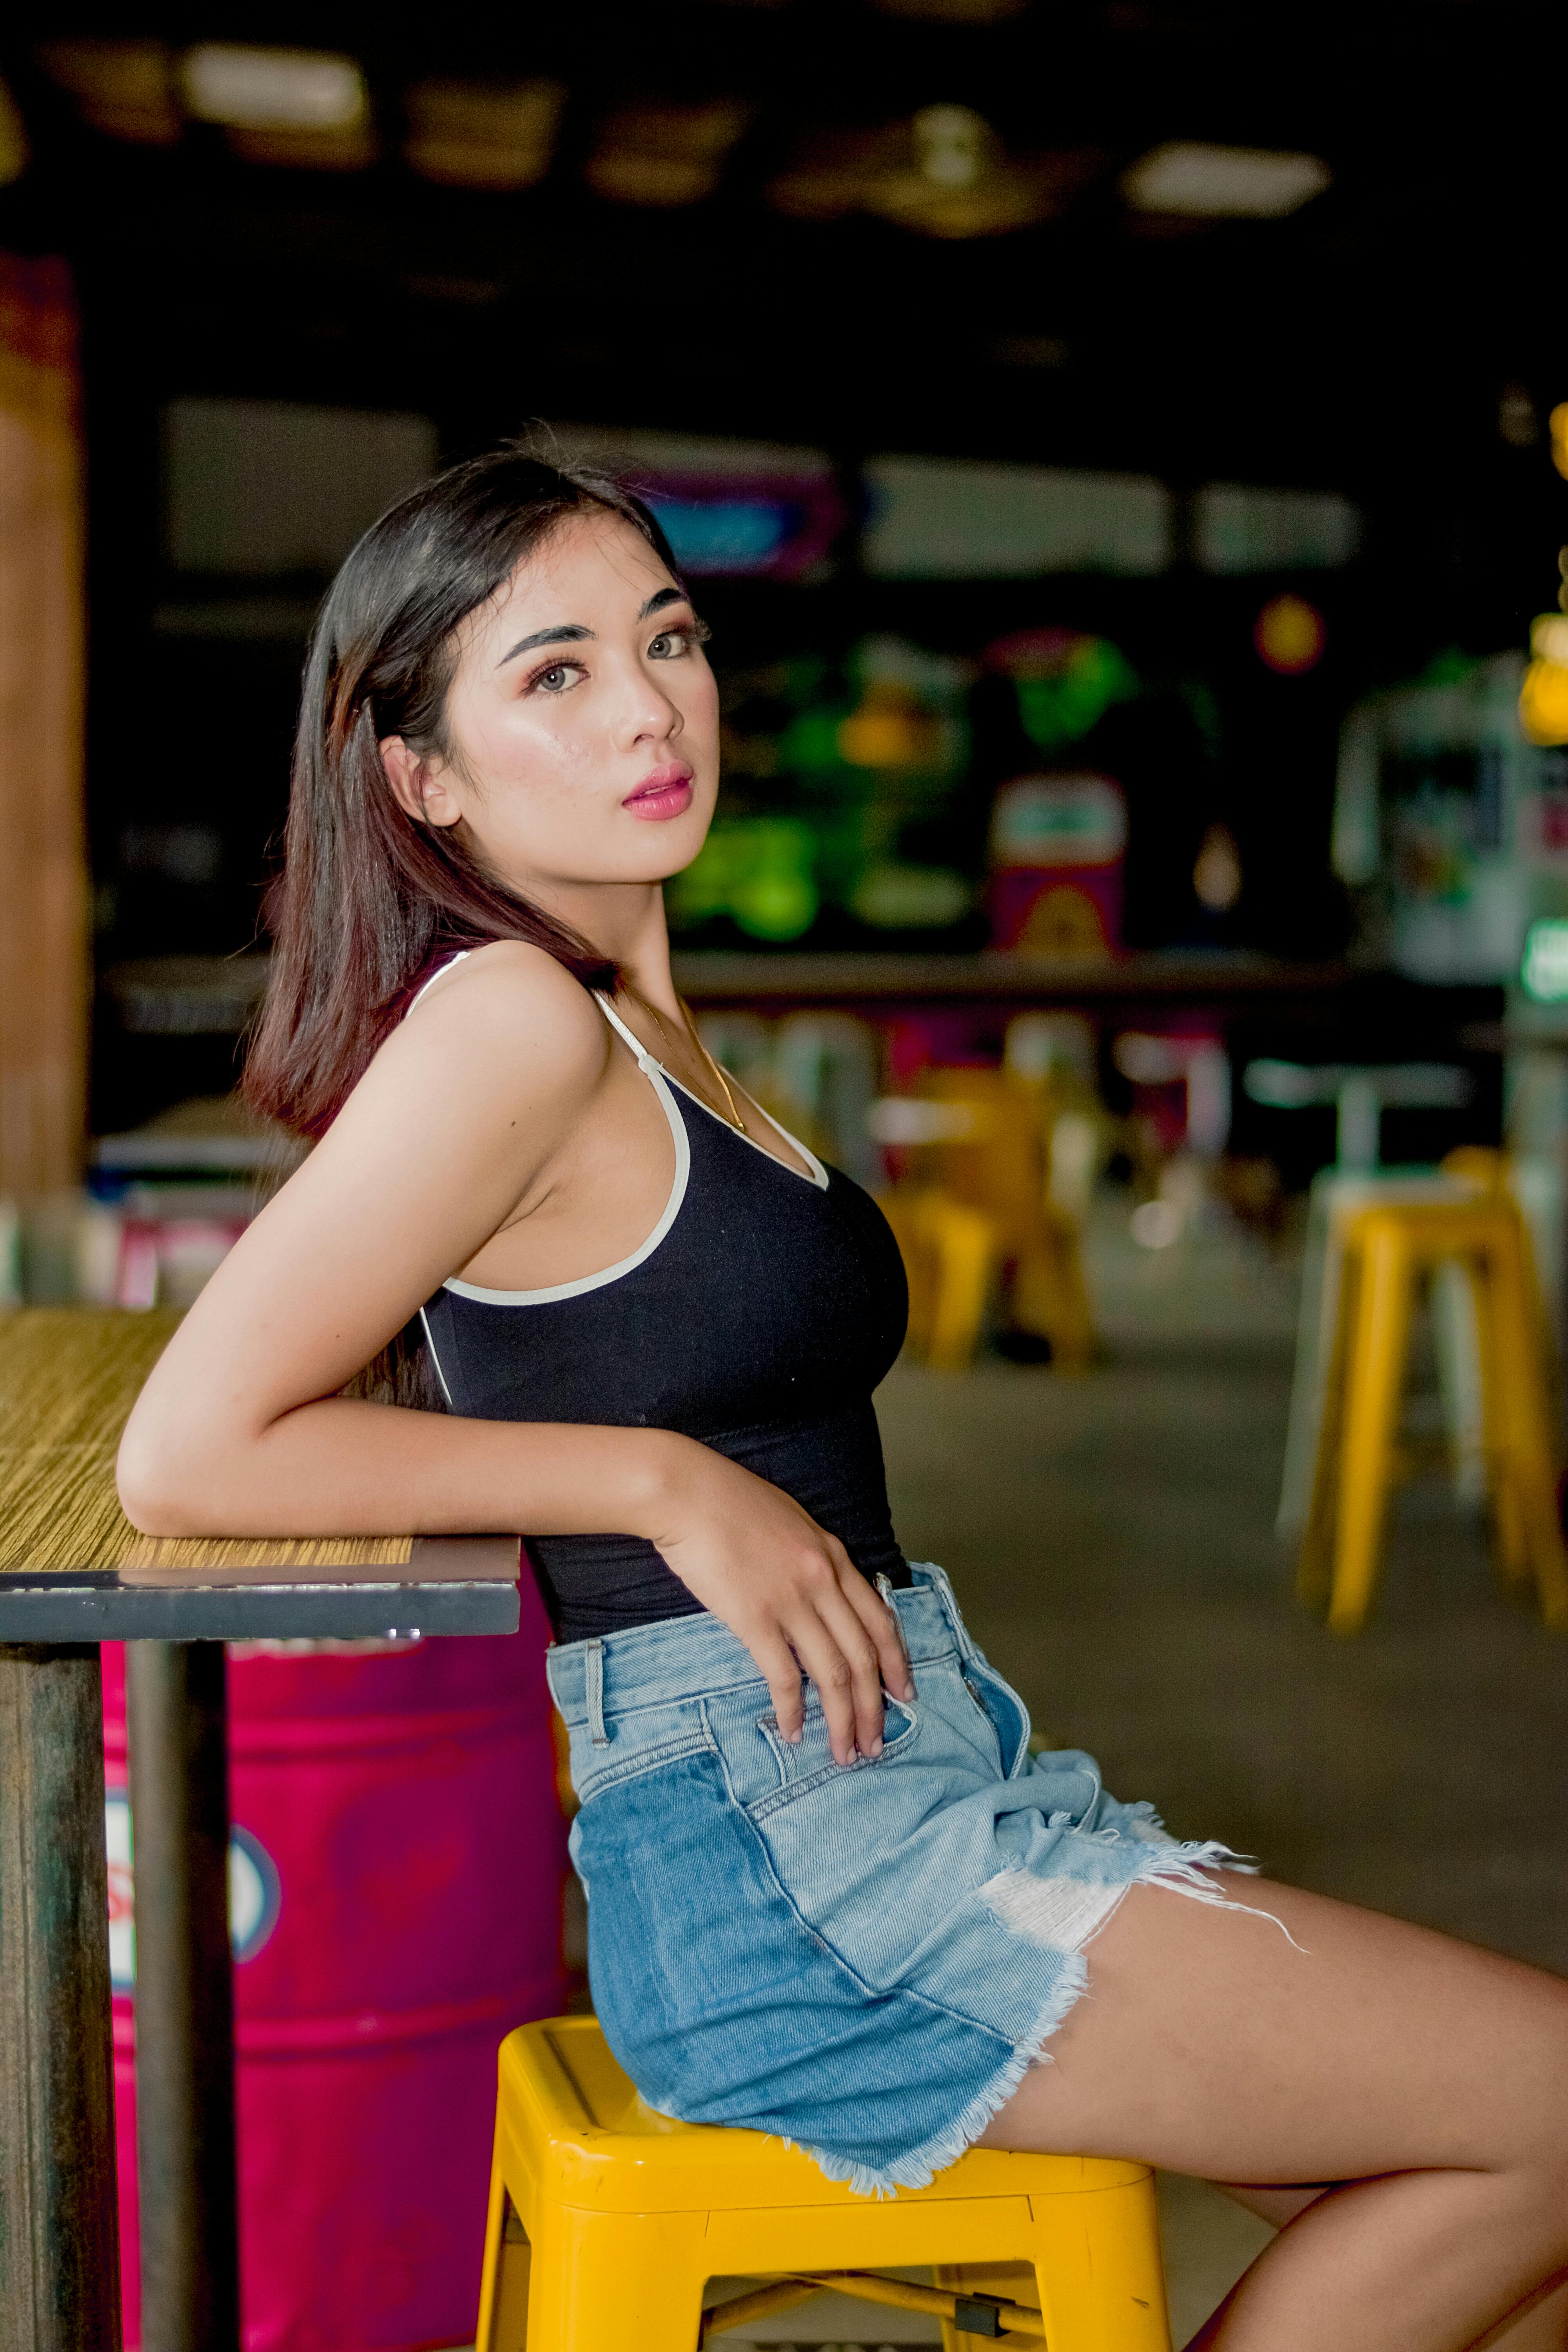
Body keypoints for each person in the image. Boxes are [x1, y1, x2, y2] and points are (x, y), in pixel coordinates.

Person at [118, 445, 1568, 2352]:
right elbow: (189, 1448)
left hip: (888, 1796)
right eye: (552, 674)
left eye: (668, 639)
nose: (648, 705)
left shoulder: (641, 1026)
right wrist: (657, 1481)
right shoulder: (513, 1022)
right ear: (424, 776)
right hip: (797, 1871)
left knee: (1478, 2158)